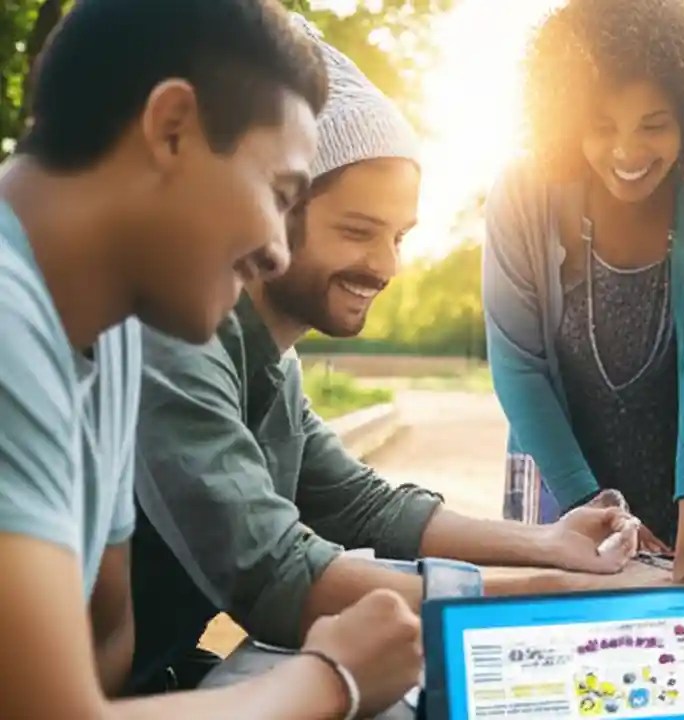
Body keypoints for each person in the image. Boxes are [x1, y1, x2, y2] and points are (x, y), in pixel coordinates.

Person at [127, 16, 643, 693]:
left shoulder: (271, 366)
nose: (385, 265)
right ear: (272, 205)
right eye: (358, 231)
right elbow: (276, 575)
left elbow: (366, 508)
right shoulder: (175, 338)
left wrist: (550, 544)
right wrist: (539, 592)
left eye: (399, 236)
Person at [0, 1, 421, 717]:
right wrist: (333, 677)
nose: (277, 251)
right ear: (172, 130)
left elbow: (108, 650)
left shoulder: (109, 330)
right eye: (278, 192)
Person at [484, 0, 684, 583]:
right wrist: (598, 513)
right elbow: (519, 368)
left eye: (653, 124)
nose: (627, 151)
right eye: (602, 125)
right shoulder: (520, 197)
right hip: (562, 488)